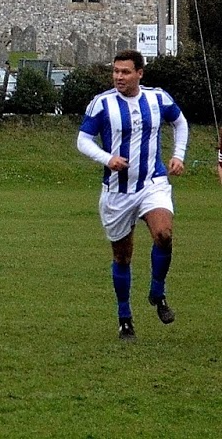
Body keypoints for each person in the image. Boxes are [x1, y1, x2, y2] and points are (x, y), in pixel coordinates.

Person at [76, 49, 187, 341]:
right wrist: (106, 158)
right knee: (123, 257)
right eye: (115, 71)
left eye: (125, 72)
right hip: (117, 192)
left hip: (153, 183)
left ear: (140, 73)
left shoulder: (158, 98)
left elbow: (180, 122)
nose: (119, 77)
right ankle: (125, 317)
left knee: (163, 234)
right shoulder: (102, 104)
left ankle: (157, 292)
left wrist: (178, 156)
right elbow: (83, 140)